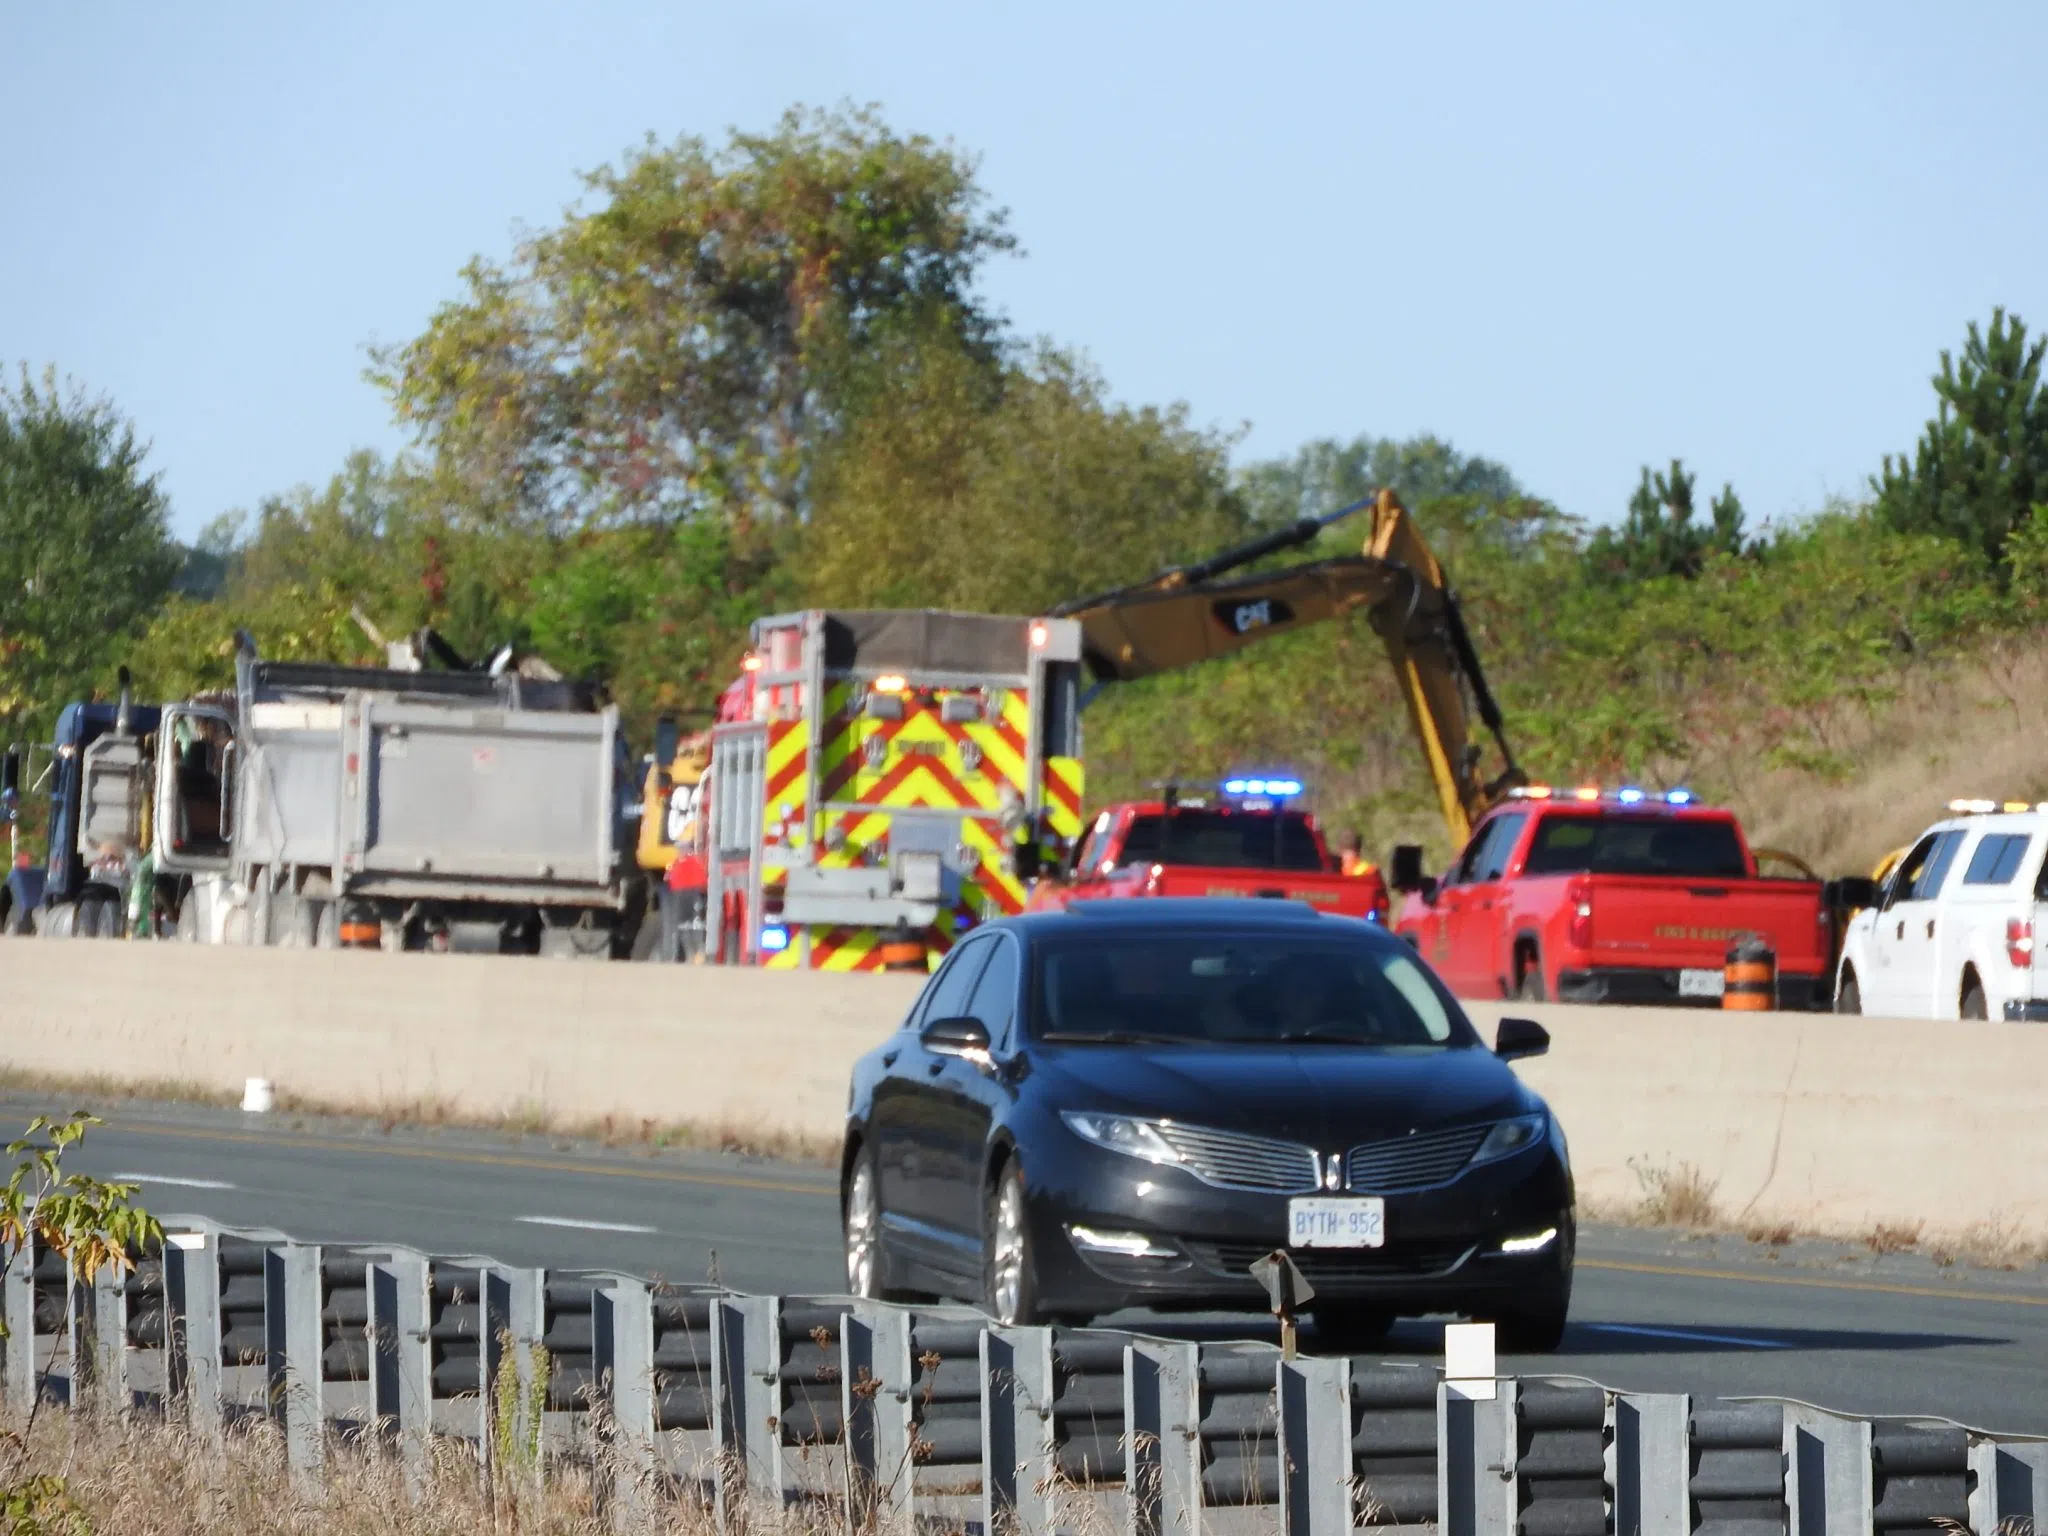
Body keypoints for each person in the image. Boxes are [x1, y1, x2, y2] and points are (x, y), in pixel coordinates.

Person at [1336, 830, 1391, 922]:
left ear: (1339, 848)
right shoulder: (1371, 871)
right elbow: (1383, 905)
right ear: (1359, 848)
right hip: (1365, 926)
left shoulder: (1332, 870)